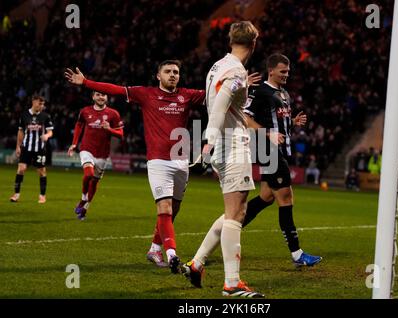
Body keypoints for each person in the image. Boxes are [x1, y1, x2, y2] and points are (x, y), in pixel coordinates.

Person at [182, 53, 322, 292]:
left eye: (288, 71)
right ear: (271, 70)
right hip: (264, 151)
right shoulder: (259, 92)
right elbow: (245, 118)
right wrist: (266, 134)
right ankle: (296, 253)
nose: (286, 75)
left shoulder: (284, 95)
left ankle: (199, 260)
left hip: (275, 150)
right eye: (282, 71)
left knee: (263, 199)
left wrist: (293, 123)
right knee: (284, 198)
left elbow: (279, 123)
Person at [65, 60, 205, 273]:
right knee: (164, 208)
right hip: (158, 161)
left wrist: (241, 84)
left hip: (181, 161)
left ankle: (154, 248)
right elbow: (116, 90)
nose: (173, 75)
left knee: (174, 209)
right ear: (158, 76)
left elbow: (215, 94)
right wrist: (86, 83)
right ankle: (172, 254)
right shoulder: (146, 93)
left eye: (176, 72)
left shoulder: (187, 95)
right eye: (167, 71)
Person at [182, 21, 264, 298]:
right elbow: (219, 106)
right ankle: (231, 283)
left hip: (223, 146)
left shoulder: (218, 65)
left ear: (231, 41)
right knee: (236, 215)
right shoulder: (238, 72)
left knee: (235, 211)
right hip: (231, 145)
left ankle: (197, 263)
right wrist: (209, 141)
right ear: (253, 43)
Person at [67, 91, 124, 220]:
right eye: (98, 94)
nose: (101, 97)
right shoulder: (85, 111)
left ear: (107, 97)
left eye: (103, 95)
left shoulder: (113, 114)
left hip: (103, 154)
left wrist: (109, 129)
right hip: (87, 149)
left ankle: (85, 208)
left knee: (95, 182)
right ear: (93, 97)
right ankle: (82, 199)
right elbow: (79, 125)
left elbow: (121, 134)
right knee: (89, 174)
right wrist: (74, 143)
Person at [10, 94, 53, 204]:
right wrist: (18, 146)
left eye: (43, 104)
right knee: (21, 169)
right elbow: (20, 131)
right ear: (33, 102)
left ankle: (42, 196)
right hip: (26, 148)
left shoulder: (45, 116)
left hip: (40, 149)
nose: (42, 106)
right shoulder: (24, 115)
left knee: (42, 171)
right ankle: (16, 194)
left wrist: (47, 136)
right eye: (40, 103)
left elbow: (50, 131)